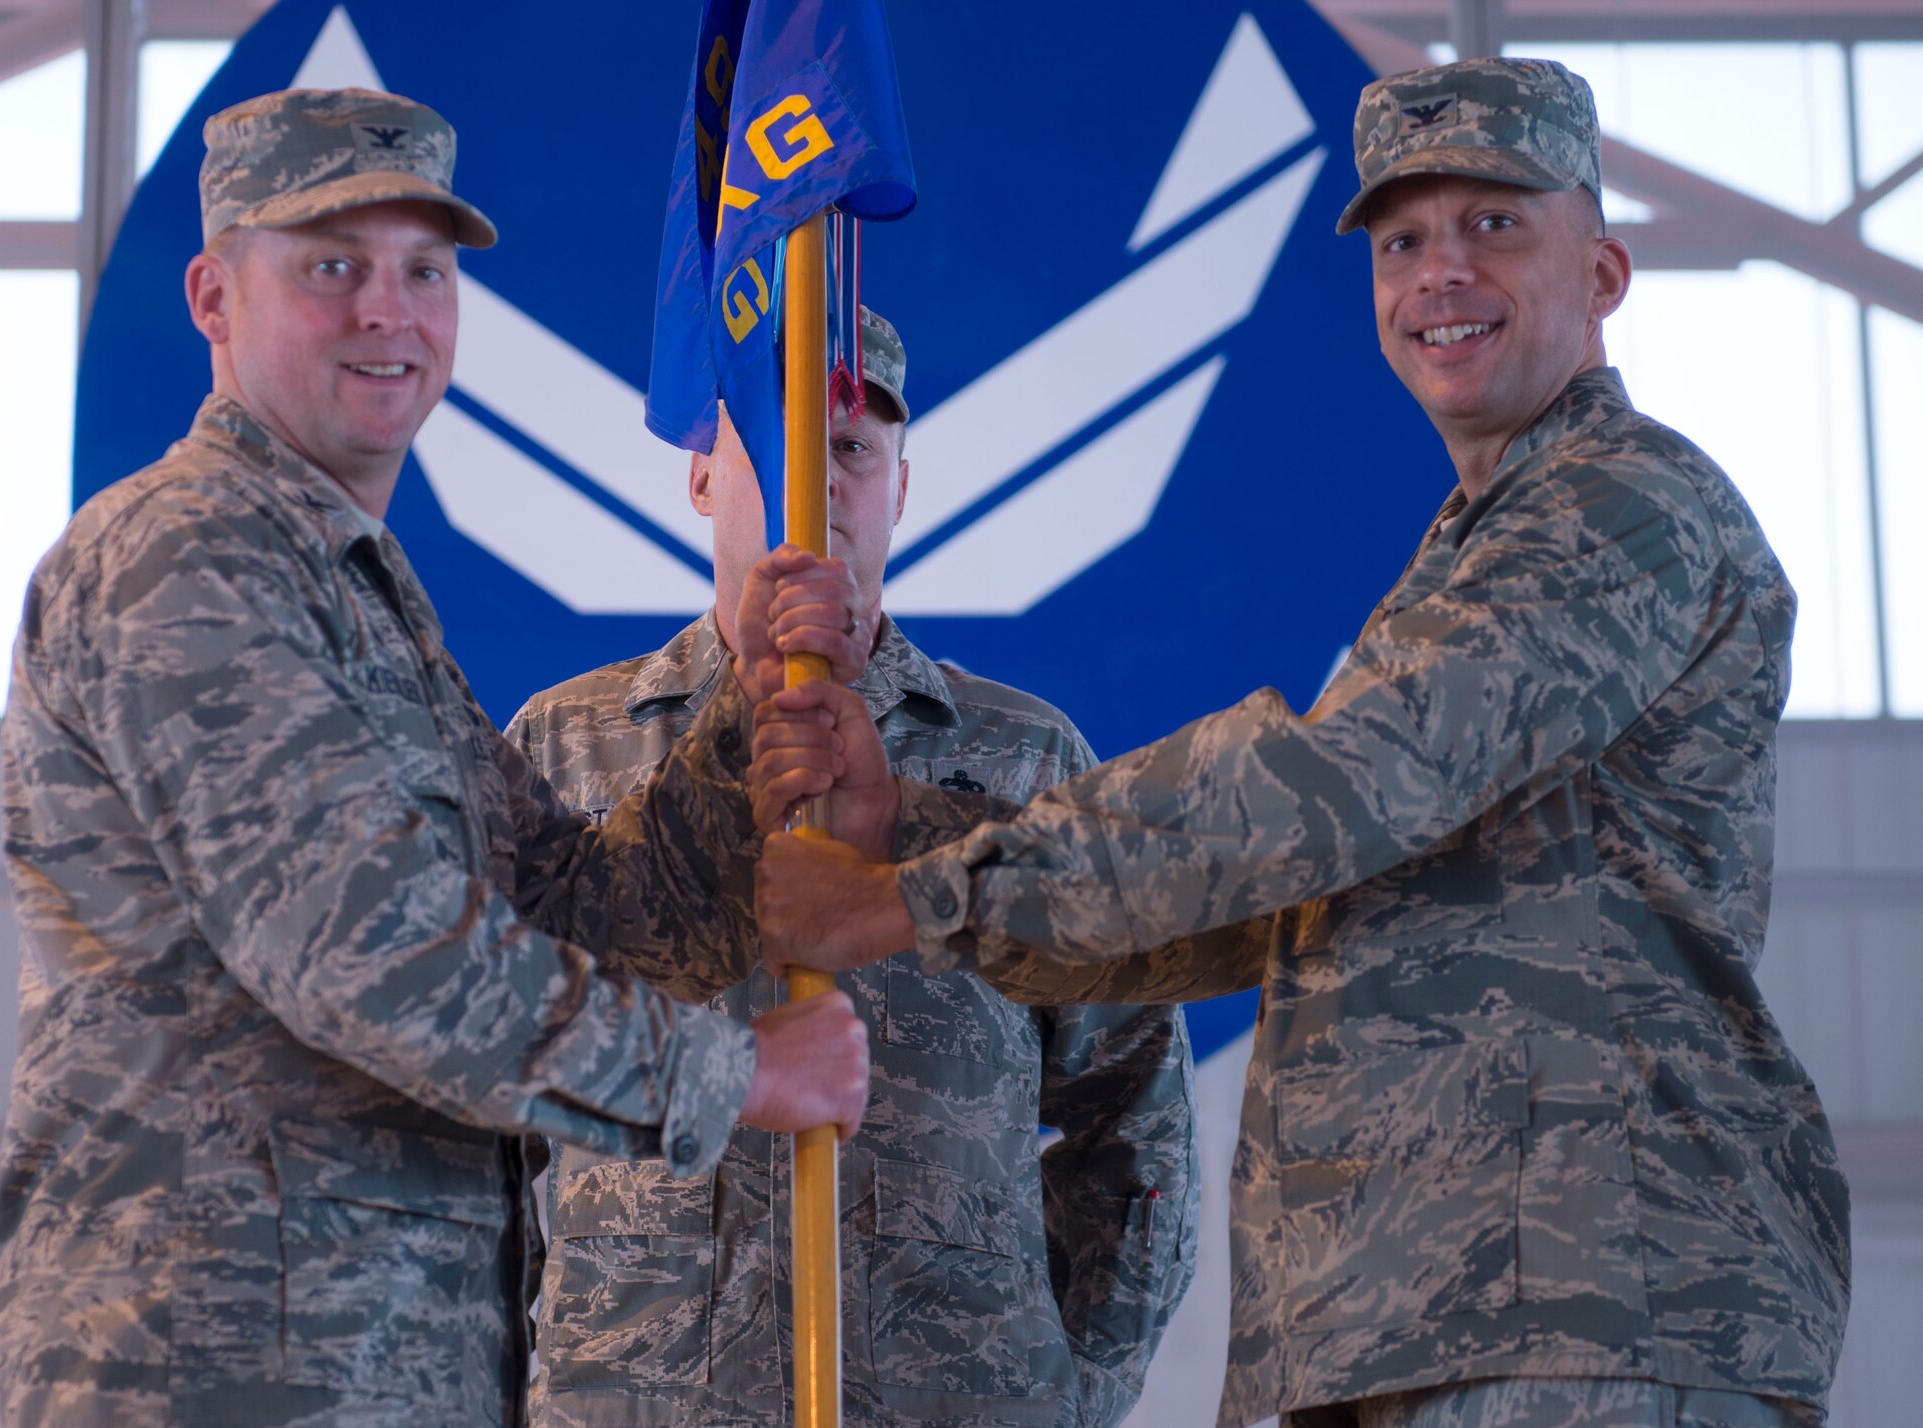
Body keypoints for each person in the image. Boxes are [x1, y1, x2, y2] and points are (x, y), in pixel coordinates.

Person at [748, 58, 1851, 1428]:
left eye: (1495, 224)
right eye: (1402, 242)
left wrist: (908, 899)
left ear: (1607, 272)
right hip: (1440, 1323)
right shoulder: (1473, 553)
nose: (1439, 273)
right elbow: (1295, 895)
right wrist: (910, 839)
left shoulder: (1620, 508)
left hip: (1584, 1318)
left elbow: (1345, 782)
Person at [0, 87, 870, 1428]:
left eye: (424, 270)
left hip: (378, 1364)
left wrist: (740, 720)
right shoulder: (185, 557)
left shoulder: (354, 590)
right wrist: (734, 1075)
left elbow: (570, 913)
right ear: (214, 296)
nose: (387, 311)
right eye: (331, 266)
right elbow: (367, 953)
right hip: (211, 1367)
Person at [505, 308, 1199, 1428]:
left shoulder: (1022, 760)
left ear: (899, 487)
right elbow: (490, 1116)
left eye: (851, 447)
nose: (815, 479)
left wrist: (1070, 1396)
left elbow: (1136, 1119)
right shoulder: (561, 747)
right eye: (770, 437)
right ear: (697, 473)